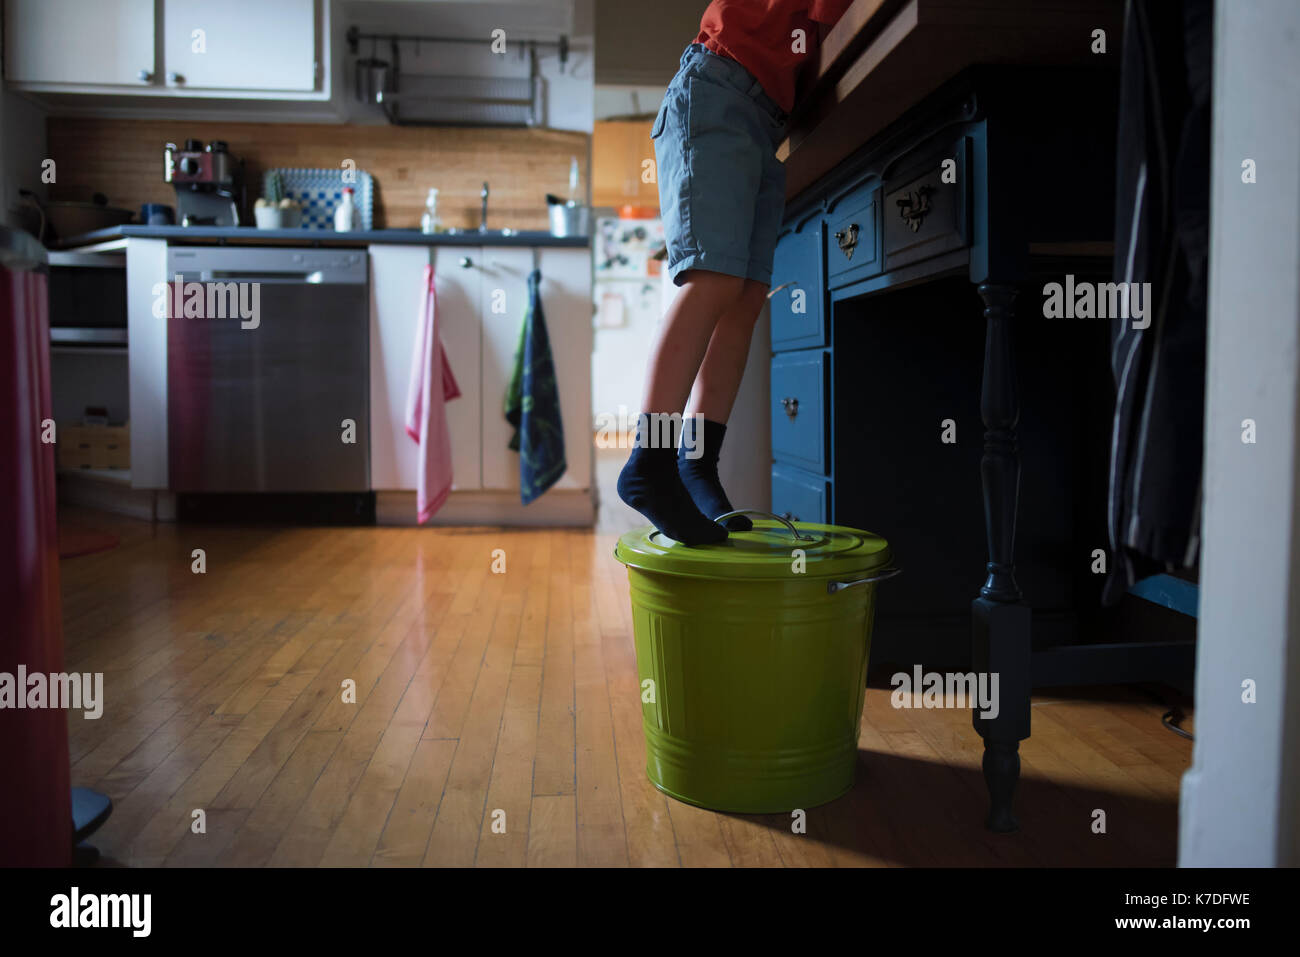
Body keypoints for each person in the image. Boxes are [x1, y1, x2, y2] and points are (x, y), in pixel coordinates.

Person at [617, 0, 853, 545]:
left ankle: (695, 464)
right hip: (720, 90)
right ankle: (650, 464)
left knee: (745, 298)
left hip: (761, 116)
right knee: (713, 280)